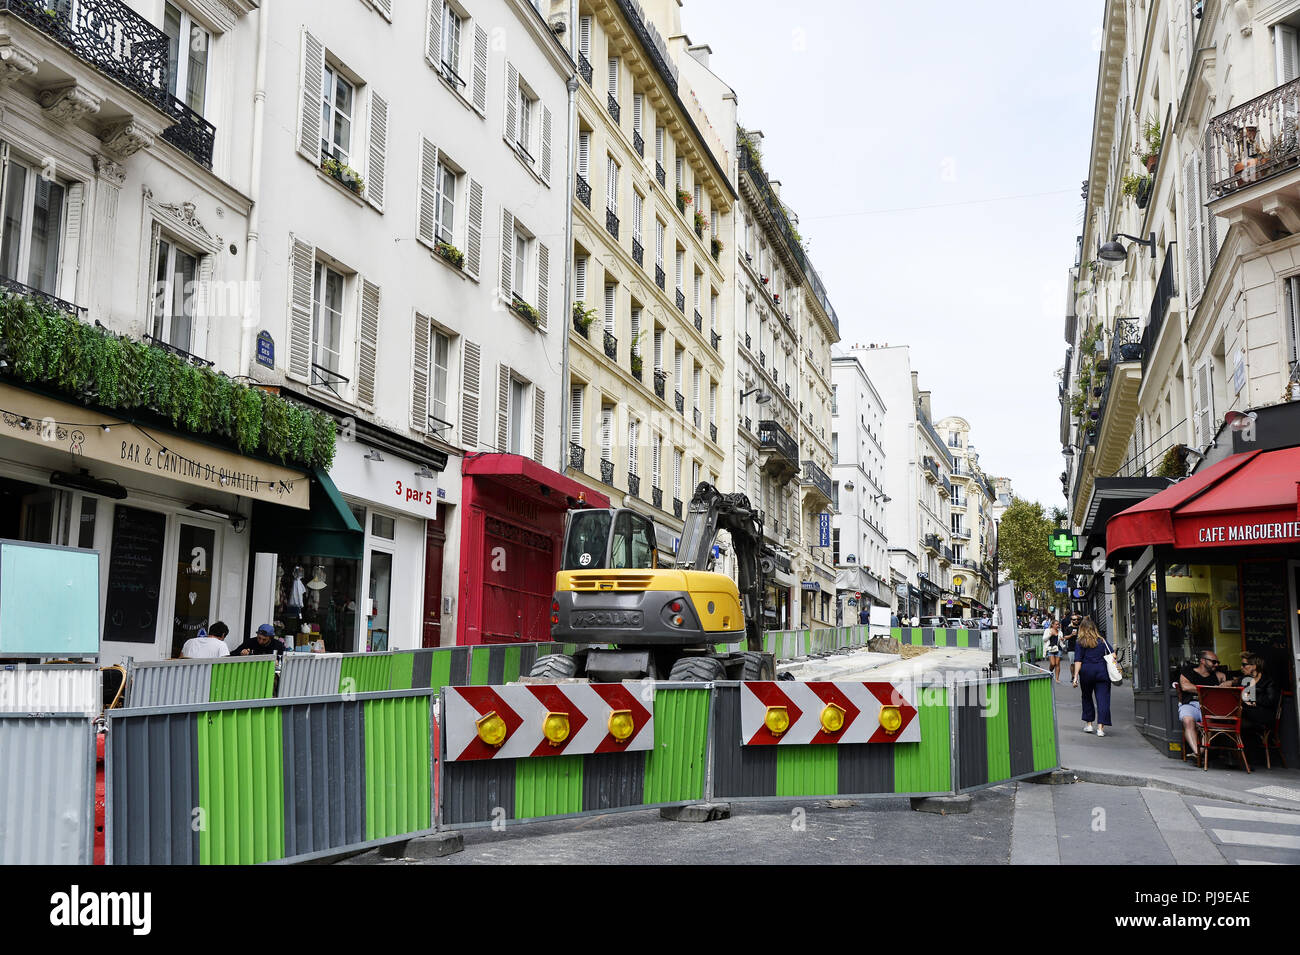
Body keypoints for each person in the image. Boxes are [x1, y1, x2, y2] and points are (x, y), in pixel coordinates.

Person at [1177, 649, 1222, 759]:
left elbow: (1227, 686)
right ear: (1202, 660)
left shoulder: (1219, 675)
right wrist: (1210, 690)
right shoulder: (1188, 671)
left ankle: (1199, 753)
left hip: (1209, 706)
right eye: (1214, 662)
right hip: (1190, 704)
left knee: (1210, 722)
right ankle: (1198, 752)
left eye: (1218, 663)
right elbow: (1185, 687)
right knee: (1188, 720)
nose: (1216, 665)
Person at [1071, 617, 1112, 736]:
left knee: (1087, 697)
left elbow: (1078, 660)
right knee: (1103, 699)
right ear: (1094, 628)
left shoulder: (1080, 642)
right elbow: (1113, 654)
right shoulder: (1101, 640)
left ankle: (1089, 725)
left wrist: (1075, 677)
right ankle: (1100, 729)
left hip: (1086, 672)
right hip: (1102, 672)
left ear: (1082, 629)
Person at [1238, 654, 1280, 733]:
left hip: (1263, 714)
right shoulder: (1245, 680)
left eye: (1244, 665)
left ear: (1254, 666)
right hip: (1248, 713)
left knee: (1239, 717)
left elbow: (1270, 701)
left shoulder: (1268, 681)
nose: (1241, 667)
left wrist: (1253, 698)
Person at [1042, 617, 1063, 683]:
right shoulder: (1047, 630)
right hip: (1050, 648)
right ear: (1052, 625)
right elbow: (1044, 639)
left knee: (1057, 664)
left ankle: (1057, 679)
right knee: (1053, 663)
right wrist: (1050, 635)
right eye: (1056, 624)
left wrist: (1063, 640)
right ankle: (1050, 671)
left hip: (1058, 648)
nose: (1058, 626)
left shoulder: (1060, 632)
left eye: (1058, 624)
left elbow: (1061, 642)